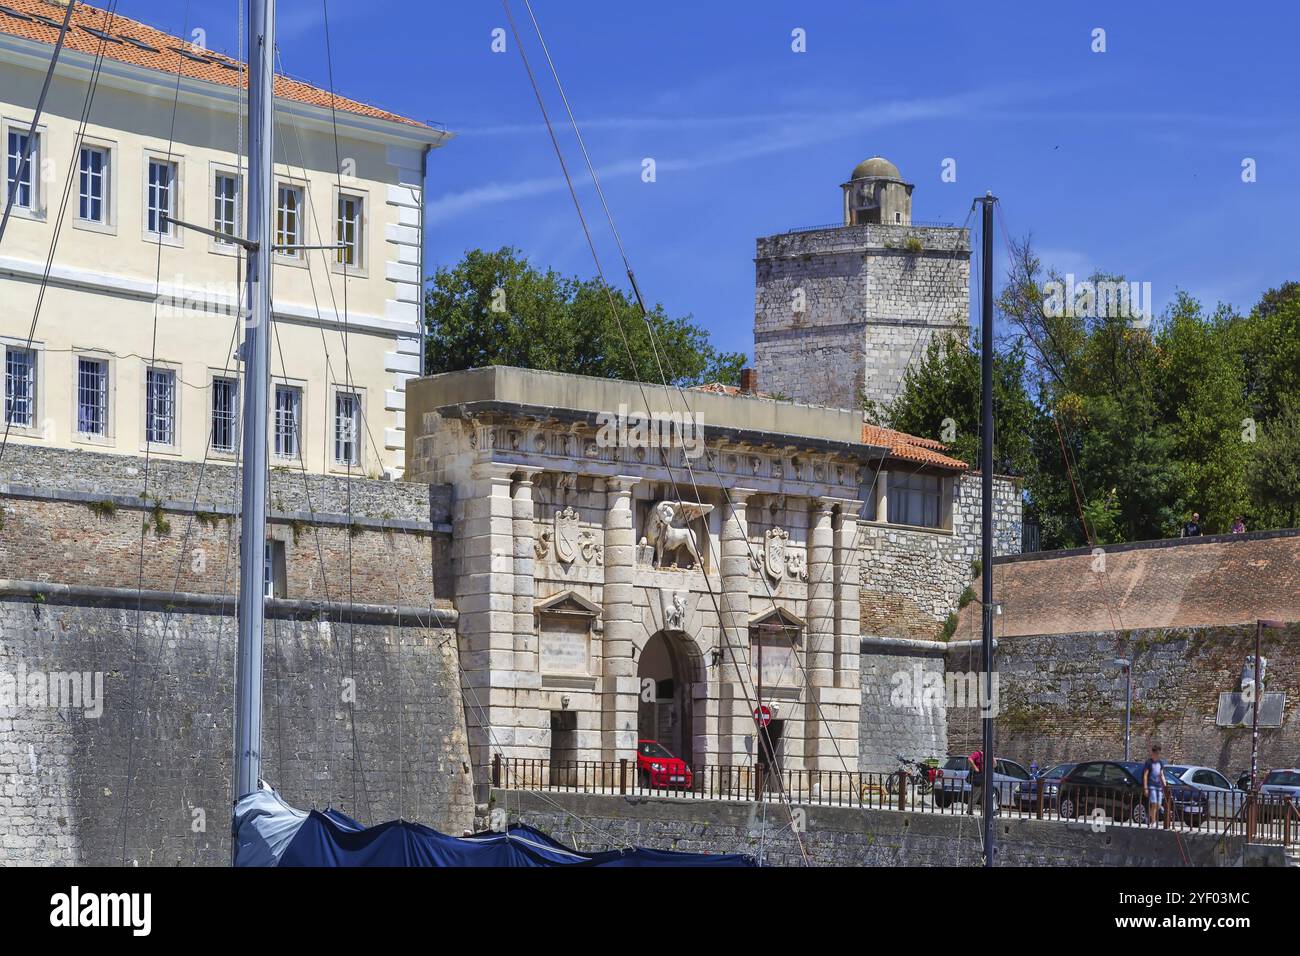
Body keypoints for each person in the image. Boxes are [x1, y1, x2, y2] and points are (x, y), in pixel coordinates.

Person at [1141, 744, 1165, 827]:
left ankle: (1149, 815)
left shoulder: (1160, 763)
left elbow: (1161, 775)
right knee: (1154, 803)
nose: (1158, 755)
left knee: (1159, 805)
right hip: (1151, 786)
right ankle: (1153, 821)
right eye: (1157, 753)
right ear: (1154, 753)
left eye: (1159, 753)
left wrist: (1165, 785)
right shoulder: (1149, 762)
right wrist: (1145, 787)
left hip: (1159, 786)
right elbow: (1145, 775)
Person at [966, 749, 984, 815]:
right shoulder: (977, 754)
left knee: (988, 795)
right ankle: (970, 810)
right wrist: (975, 767)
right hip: (978, 776)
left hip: (985, 777)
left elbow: (994, 765)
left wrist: (993, 757)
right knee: (975, 794)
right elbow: (970, 759)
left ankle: (990, 810)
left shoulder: (988, 755)